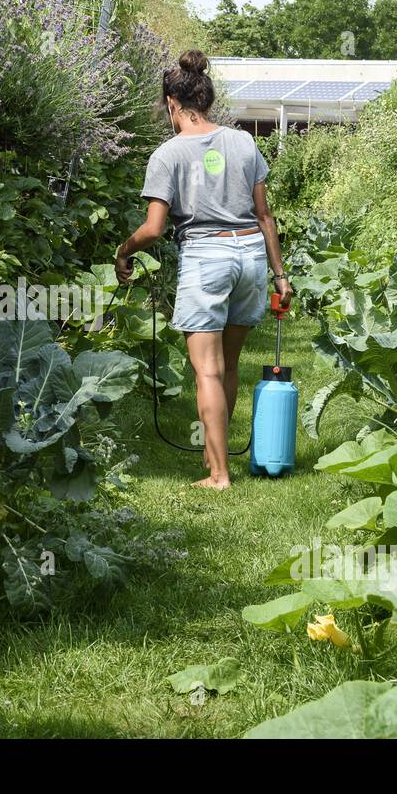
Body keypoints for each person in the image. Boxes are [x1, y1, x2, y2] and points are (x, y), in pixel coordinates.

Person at [115, 49, 293, 490]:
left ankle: (218, 474)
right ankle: (215, 458)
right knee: (228, 366)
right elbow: (265, 216)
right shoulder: (245, 142)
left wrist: (124, 250)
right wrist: (280, 276)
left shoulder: (168, 154)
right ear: (207, 101)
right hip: (251, 256)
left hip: (206, 257)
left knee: (206, 372)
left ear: (173, 104)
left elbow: (154, 229)